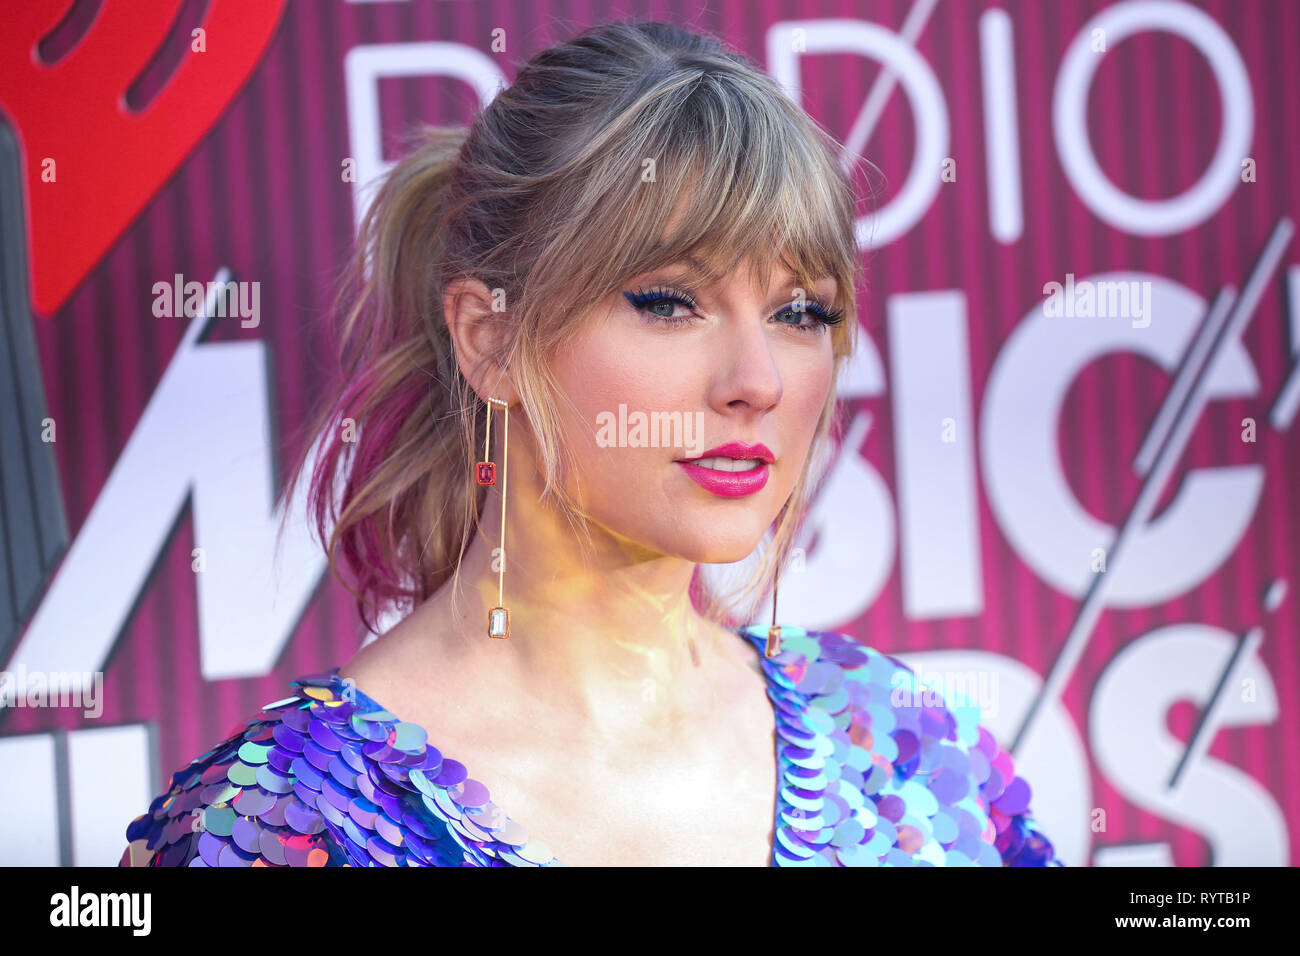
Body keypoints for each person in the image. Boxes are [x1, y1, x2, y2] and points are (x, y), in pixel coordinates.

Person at [119, 18, 1060, 868]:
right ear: (490, 342)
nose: (760, 380)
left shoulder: (904, 749)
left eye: (800, 312)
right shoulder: (277, 829)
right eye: (668, 302)